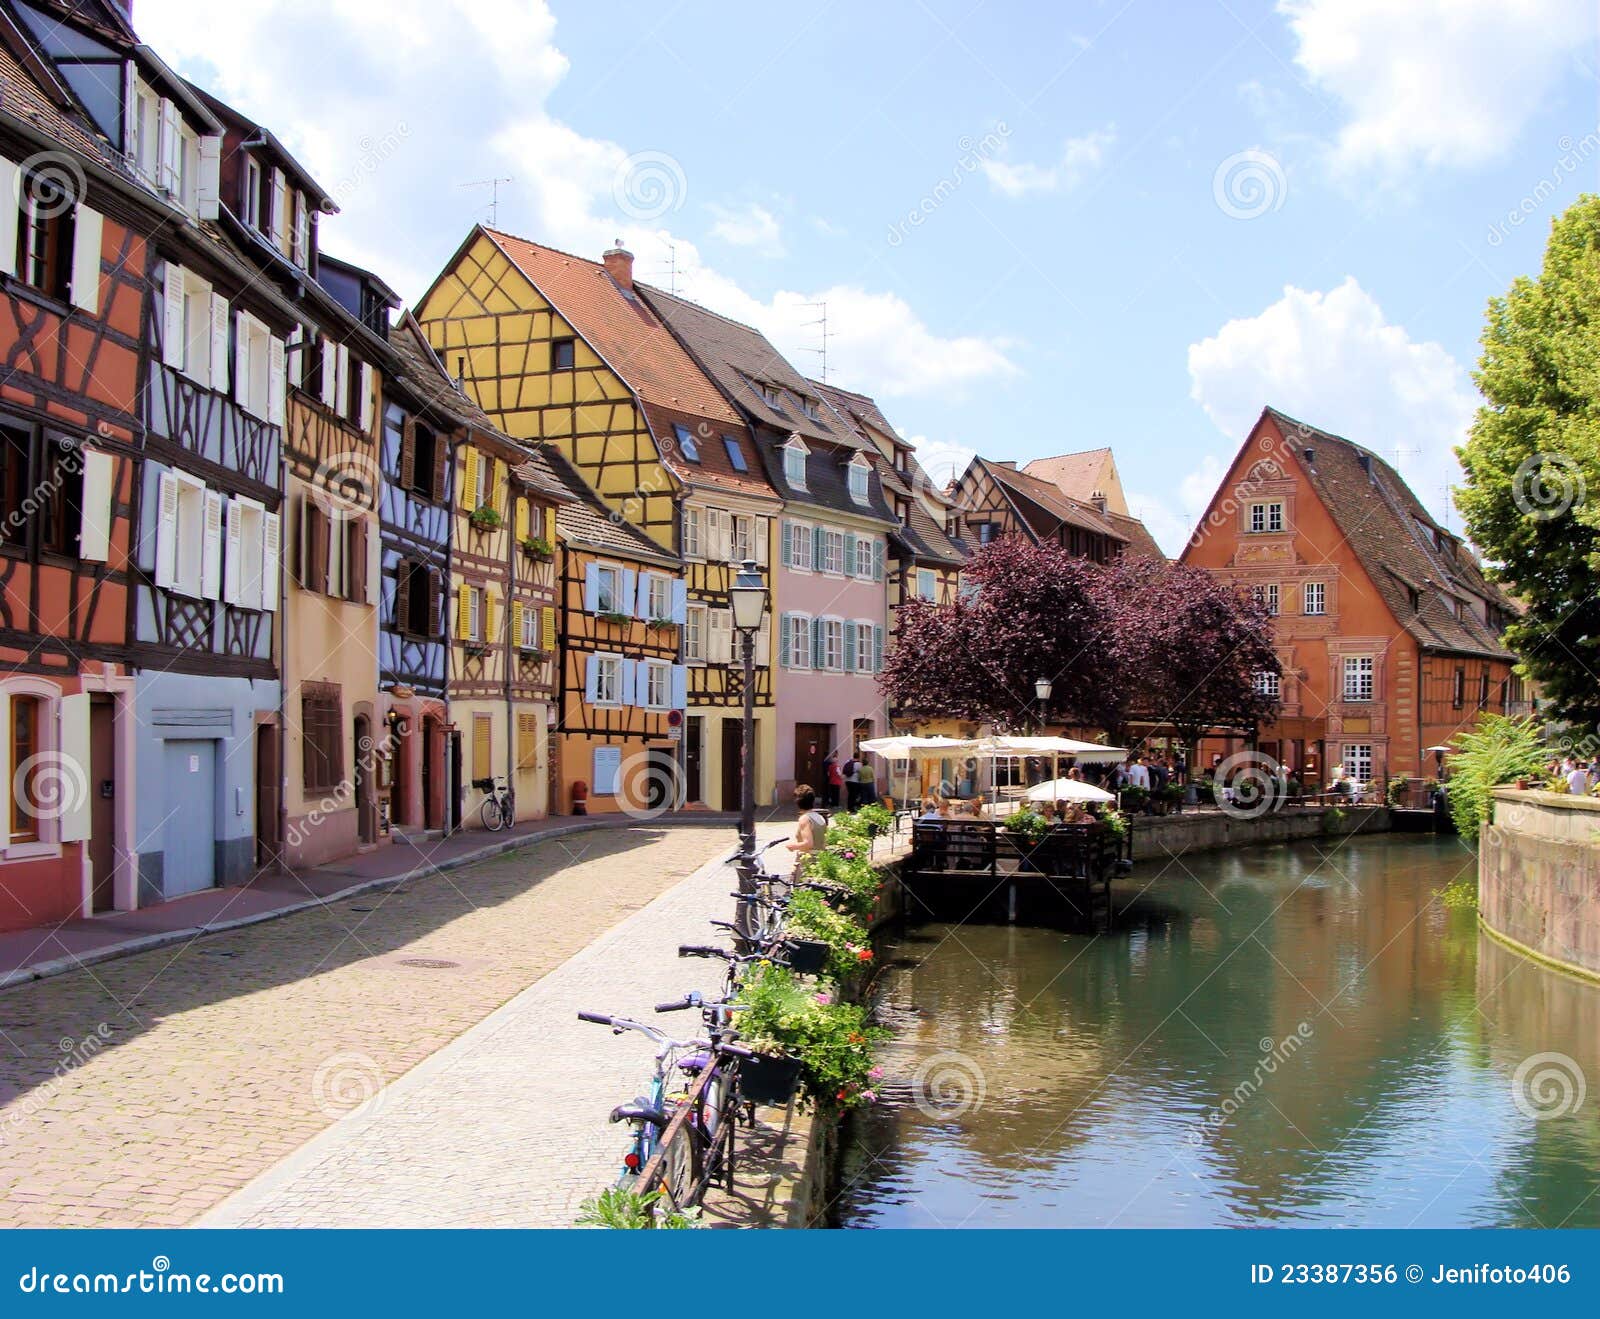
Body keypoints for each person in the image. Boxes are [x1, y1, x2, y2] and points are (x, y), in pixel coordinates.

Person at [787, 786, 828, 875]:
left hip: (807, 861)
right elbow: (824, 841)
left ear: (797, 802)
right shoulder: (820, 817)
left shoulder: (805, 819)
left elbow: (808, 844)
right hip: (821, 859)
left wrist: (792, 846)